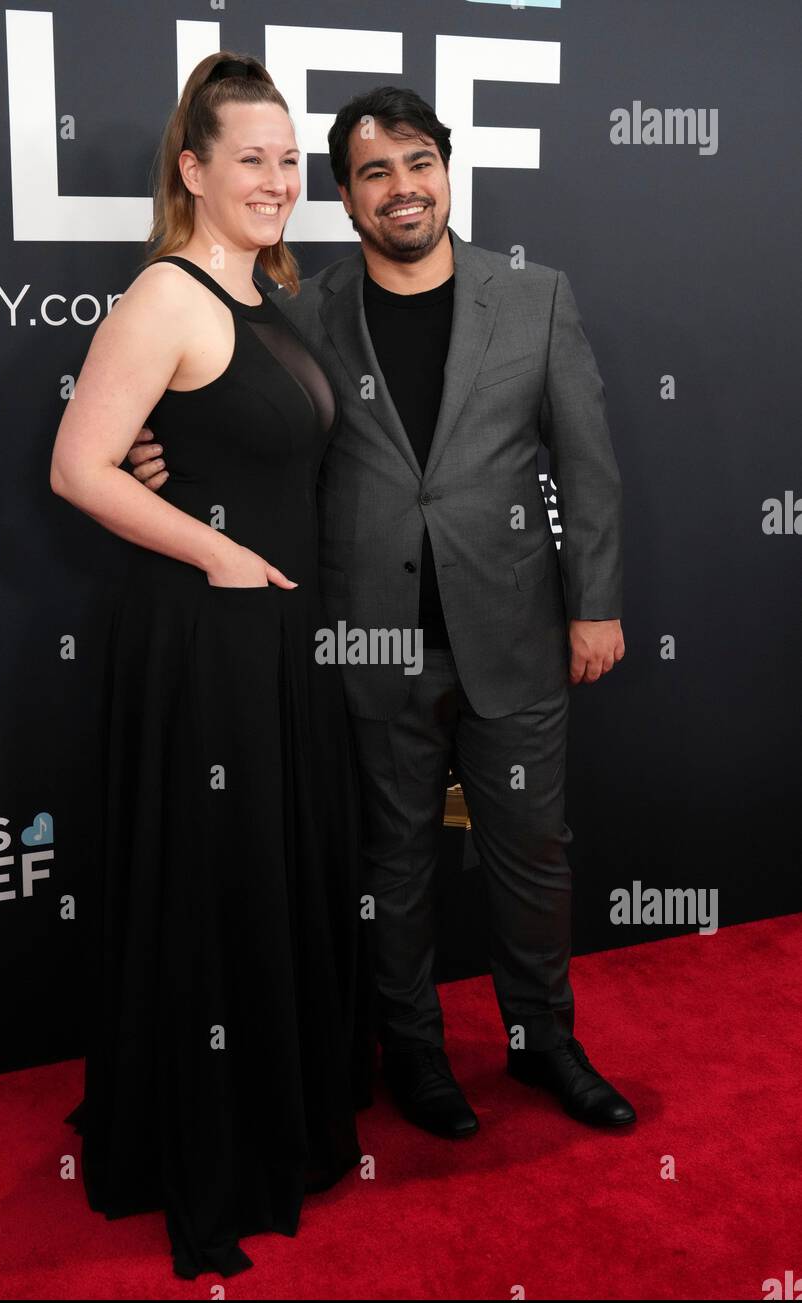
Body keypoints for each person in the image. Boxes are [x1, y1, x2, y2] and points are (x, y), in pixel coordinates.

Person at [131, 84, 636, 1141]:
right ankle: (409, 1053)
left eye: (415, 164)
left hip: (514, 633)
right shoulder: (304, 310)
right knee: (389, 864)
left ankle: (542, 1040)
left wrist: (593, 606)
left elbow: (586, 468)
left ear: (445, 171)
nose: (399, 189)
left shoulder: (533, 296)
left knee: (532, 853)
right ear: (345, 197)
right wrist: (160, 456)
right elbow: (245, 422)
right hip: (363, 639)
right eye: (371, 173)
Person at [51, 52, 371, 1281]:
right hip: (206, 641)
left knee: (265, 875)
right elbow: (79, 467)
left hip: (272, 642)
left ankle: (272, 1115)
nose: (278, 181)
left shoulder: (257, 294)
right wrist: (218, 558)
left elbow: (199, 441)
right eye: (252, 158)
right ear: (191, 168)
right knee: (215, 879)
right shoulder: (166, 296)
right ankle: (211, 1145)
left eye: (290, 161)